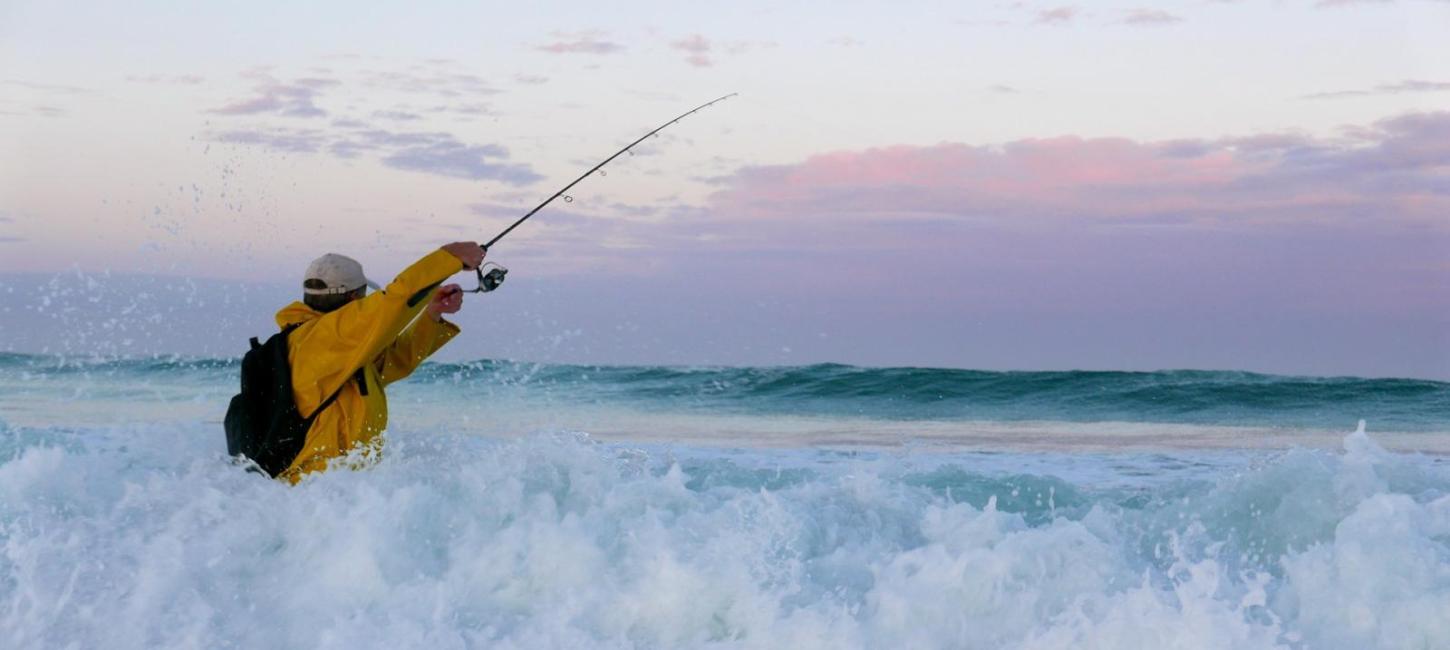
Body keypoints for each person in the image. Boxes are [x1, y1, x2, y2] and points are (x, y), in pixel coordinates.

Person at [270, 241, 485, 482]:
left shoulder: (335, 350)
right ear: (354, 299)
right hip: (315, 490)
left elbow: (393, 362)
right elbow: (395, 300)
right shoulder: (324, 338)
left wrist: (431, 314)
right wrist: (449, 257)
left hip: (337, 492)